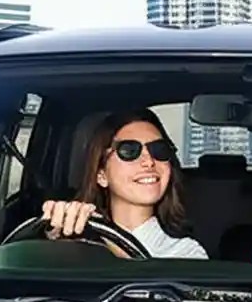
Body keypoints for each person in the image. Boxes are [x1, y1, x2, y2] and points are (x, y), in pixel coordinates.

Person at [42, 109, 208, 259]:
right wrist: (56, 241)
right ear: (101, 175)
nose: (149, 162)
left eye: (159, 150)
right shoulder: (72, 242)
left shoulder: (187, 254)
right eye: (129, 151)